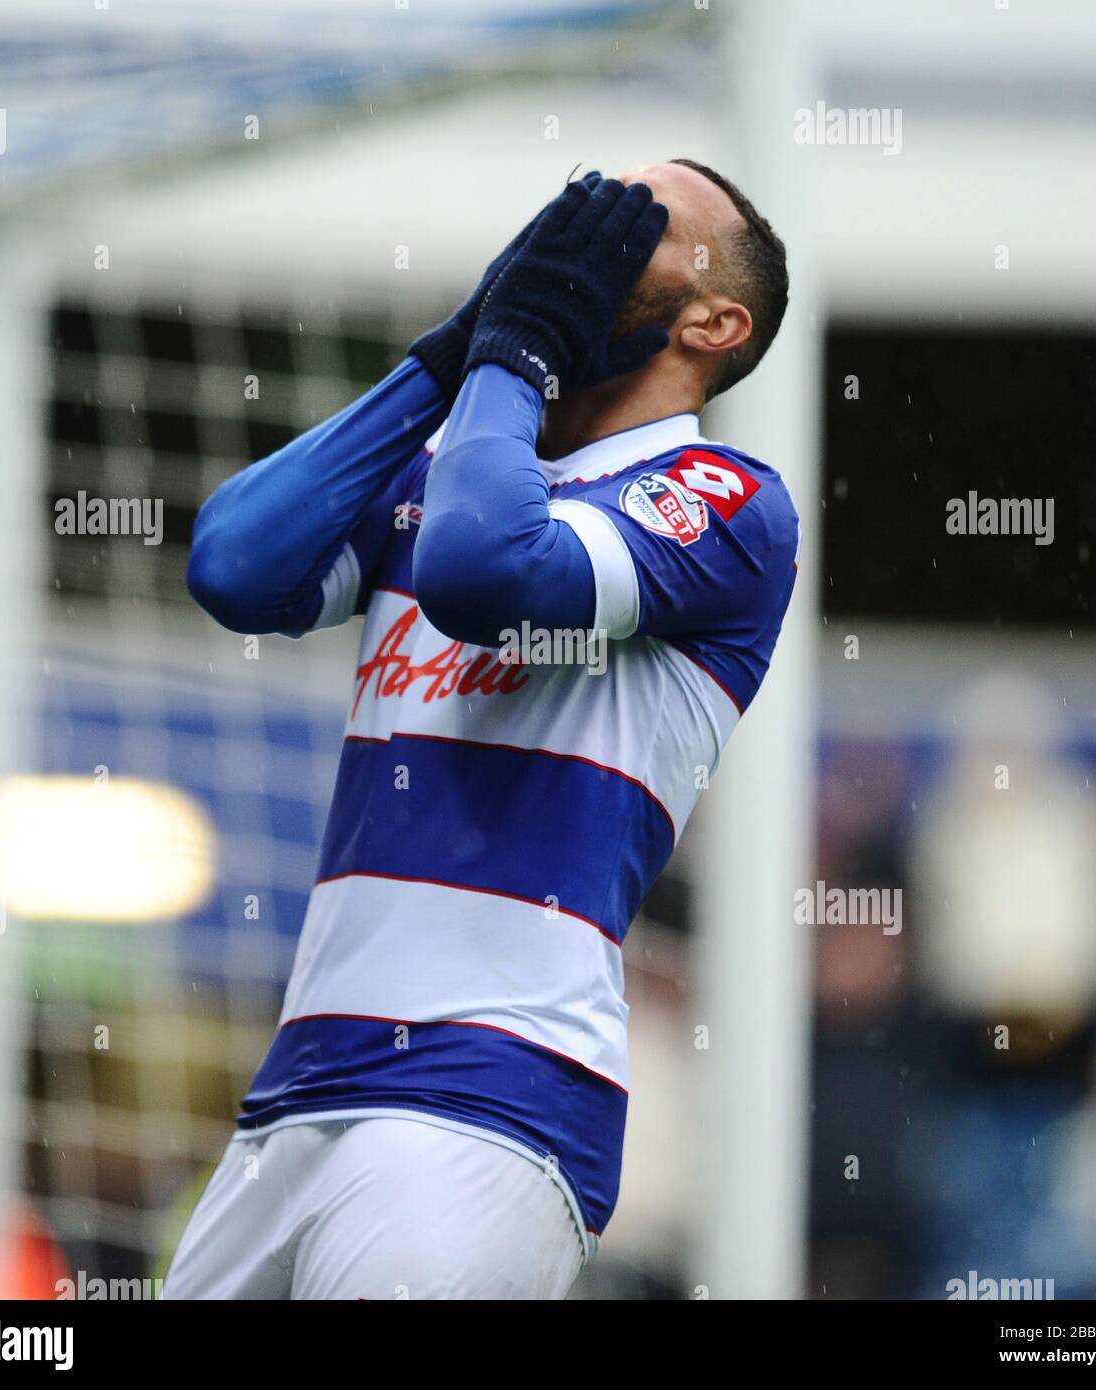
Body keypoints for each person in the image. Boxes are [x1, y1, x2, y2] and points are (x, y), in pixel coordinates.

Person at [165, 161, 798, 1299]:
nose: (587, 233)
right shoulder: (450, 469)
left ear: (715, 321)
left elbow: (480, 571)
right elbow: (233, 566)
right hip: (298, 1092)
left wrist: (515, 354)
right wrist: (457, 350)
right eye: (584, 208)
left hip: (487, 1097)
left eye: (640, 224)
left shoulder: (723, 495)